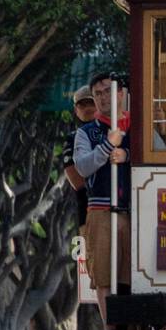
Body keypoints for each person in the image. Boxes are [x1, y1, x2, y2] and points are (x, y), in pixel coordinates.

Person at [74, 70, 134, 330]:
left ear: (121, 94)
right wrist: (108, 146)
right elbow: (82, 167)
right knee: (104, 272)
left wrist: (129, 155)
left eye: (107, 91)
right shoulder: (85, 132)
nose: (101, 97)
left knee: (131, 269)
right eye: (96, 93)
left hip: (134, 207)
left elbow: (160, 154)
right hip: (99, 208)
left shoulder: (140, 126)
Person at [62, 86, 95, 228]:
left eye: (90, 103)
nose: (87, 108)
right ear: (76, 110)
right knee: (85, 248)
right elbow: (75, 178)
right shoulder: (73, 137)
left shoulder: (112, 132)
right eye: (82, 105)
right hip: (87, 206)